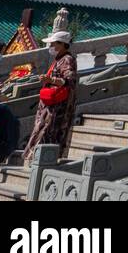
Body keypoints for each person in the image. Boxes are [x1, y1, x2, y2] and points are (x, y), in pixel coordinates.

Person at [22, 31, 77, 165]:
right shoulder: (59, 58)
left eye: (53, 43)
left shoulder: (67, 59)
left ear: (63, 44)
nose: (51, 46)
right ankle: (35, 157)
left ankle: (41, 158)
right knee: (42, 129)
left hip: (57, 106)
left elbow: (68, 80)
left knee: (48, 130)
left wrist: (51, 79)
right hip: (49, 104)